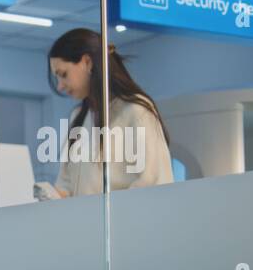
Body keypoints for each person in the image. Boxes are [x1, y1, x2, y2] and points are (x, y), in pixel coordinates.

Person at [47, 28, 172, 197]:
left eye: (63, 74)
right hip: (84, 222)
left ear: (87, 62)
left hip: (124, 222)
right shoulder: (79, 116)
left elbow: (154, 184)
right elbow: (66, 183)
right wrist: (51, 196)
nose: (60, 86)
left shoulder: (135, 110)